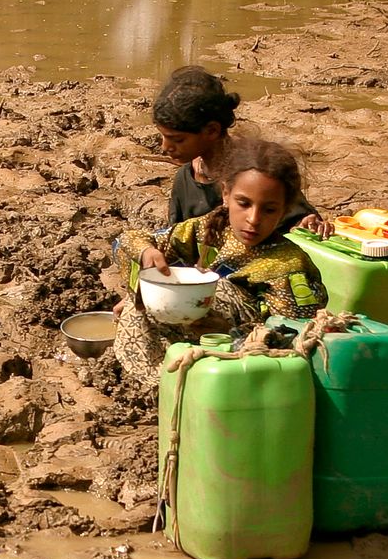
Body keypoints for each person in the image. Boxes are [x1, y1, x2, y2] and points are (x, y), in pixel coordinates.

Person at [111, 138, 326, 383]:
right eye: (244, 204)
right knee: (147, 297)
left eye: (269, 210)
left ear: (285, 210)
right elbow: (128, 241)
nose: (253, 219)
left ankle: (184, 384)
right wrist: (146, 255)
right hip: (187, 334)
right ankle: (153, 382)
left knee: (216, 287)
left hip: (244, 363)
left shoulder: (290, 267)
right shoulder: (210, 228)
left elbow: (297, 340)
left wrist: (229, 332)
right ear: (226, 194)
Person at [150, 66, 325, 233]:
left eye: (178, 139)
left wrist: (306, 224)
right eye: (163, 136)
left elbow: (300, 220)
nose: (165, 147)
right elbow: (175, 237)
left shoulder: (258, 170)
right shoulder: (185, 179)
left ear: (212, 130)